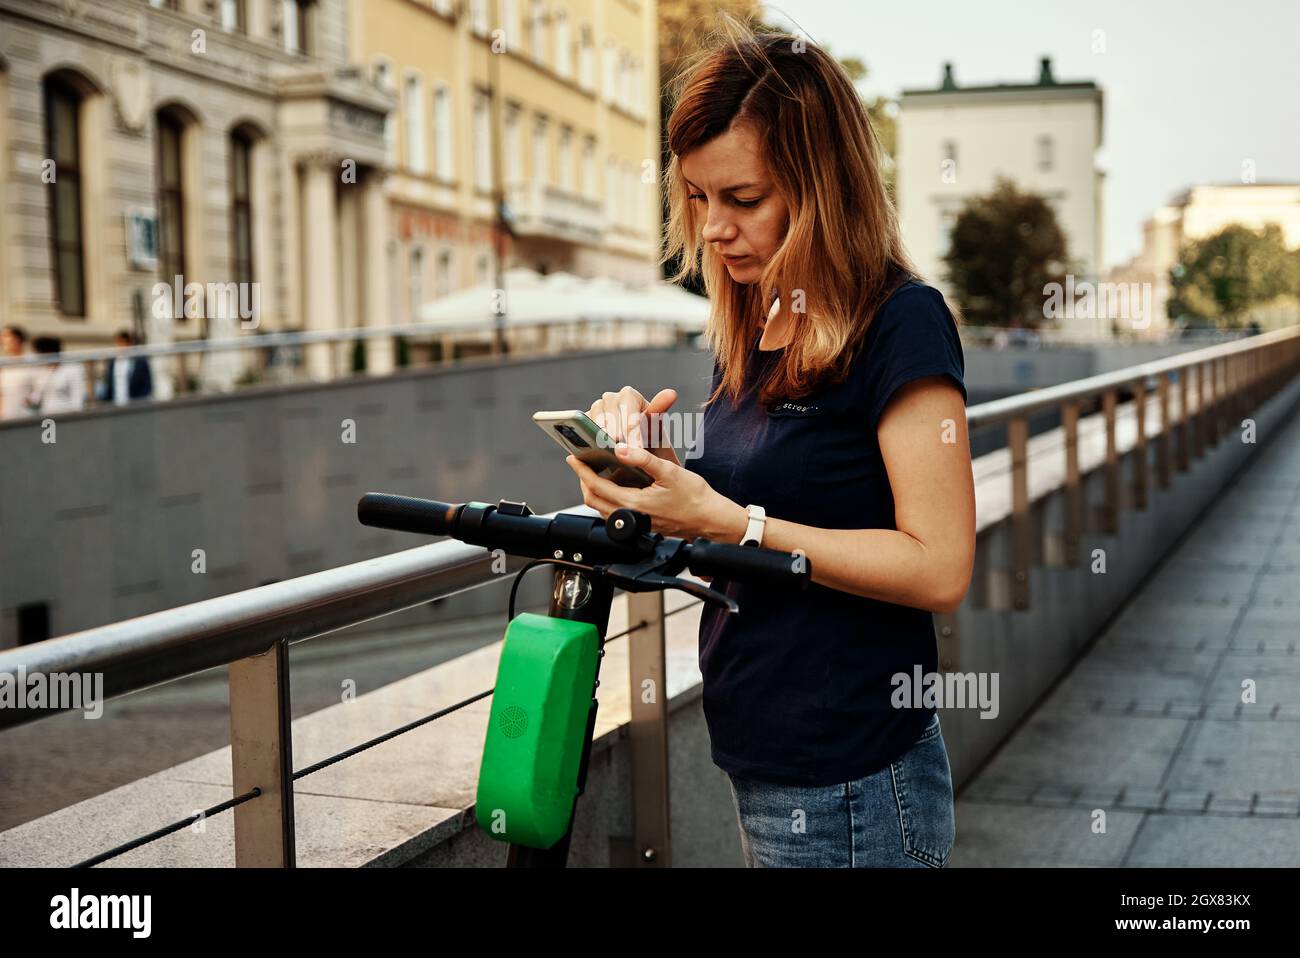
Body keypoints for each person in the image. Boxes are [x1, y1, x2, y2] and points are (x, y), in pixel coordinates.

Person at [565, 24, 974, 867]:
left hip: (855, 779)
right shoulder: (756, 320)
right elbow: (748, 507)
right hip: (763, 757)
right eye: (697, 197)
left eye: (743, 199)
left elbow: (940, 567)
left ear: (822, 189)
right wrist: (649, 471)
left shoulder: (902, 322)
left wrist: (734, 522)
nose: (713, 228)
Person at [26, 336, 87, 415]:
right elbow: (37, 395)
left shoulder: (73, 369)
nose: (37, 358)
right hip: (47, 418)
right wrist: (30, 400)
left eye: (38, 354)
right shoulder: (42, 371)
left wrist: (76, 418)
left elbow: (77, 399)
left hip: (66, 416)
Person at [97, 329, 153, 405]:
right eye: (119, 343)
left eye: (124, 343)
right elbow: (109, 386)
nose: (122, 347)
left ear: (130, 344)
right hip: (115, 404)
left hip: (134, 404)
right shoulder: (112, 362)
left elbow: (147, 386)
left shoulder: (140, 362)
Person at [0, 324, 36, 420]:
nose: (3, 340)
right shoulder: (4, 364)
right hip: (7, 418)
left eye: (7, 336)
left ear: (19, 339)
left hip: (27, 417)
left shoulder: (34, 362)